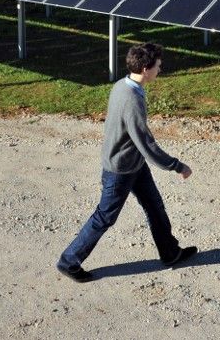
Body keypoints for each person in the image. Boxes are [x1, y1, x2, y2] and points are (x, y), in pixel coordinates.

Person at [56, 42, 196, 283]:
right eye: (158, 66)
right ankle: (69, 261)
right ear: (145, 69)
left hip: (133, 164)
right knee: (104, 217)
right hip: (120, 170)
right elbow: (146, 144)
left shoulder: (122, 85)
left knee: (155, 206)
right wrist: (176, 165)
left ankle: (170, 253)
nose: (160, 69)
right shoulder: (131, 98)